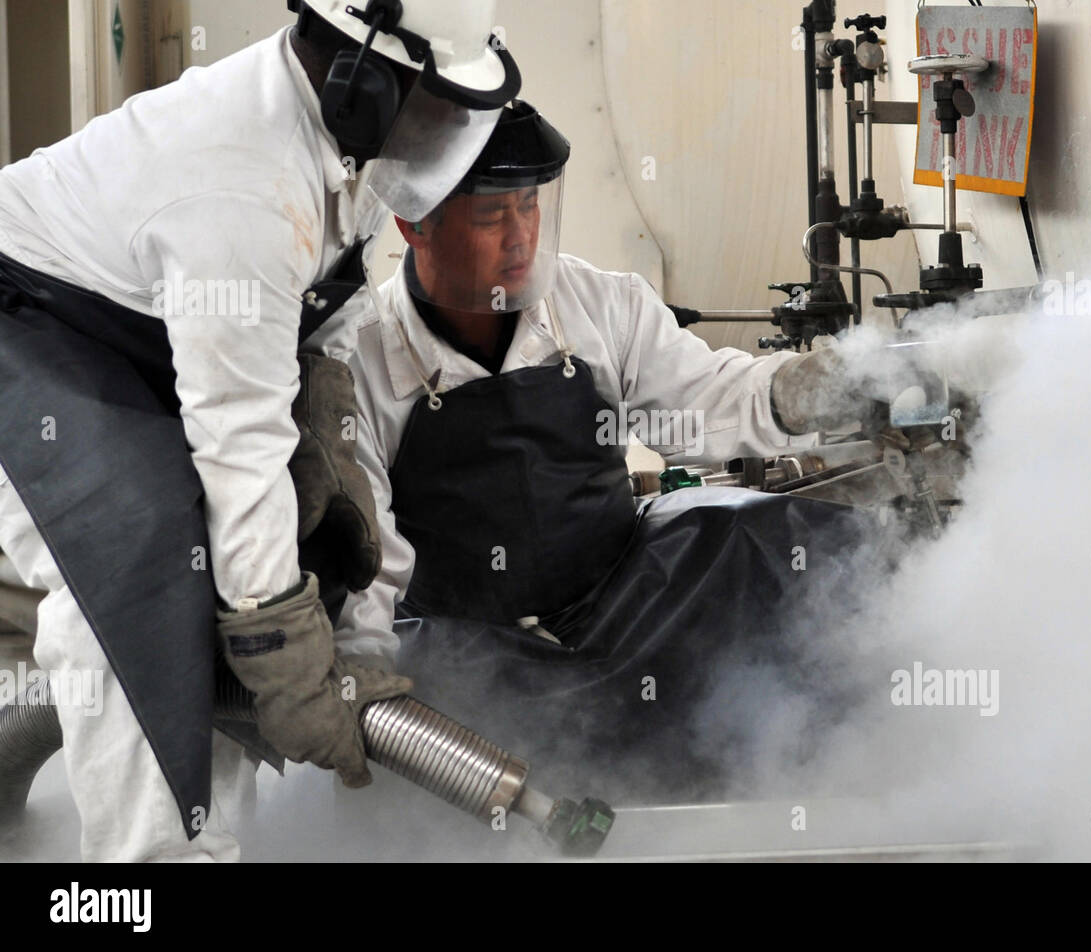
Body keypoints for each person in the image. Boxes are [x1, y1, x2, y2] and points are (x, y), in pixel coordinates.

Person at [0, 0, 520, 861]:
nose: (440, 130)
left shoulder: (344, 146)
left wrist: (349, 595)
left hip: (133, 329)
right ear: (359, 81)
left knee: (265, 553)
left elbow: (326, 330)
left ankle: (210, 841)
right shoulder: (237, 184)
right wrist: (282, 651)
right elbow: (239, 445)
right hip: (26, 321)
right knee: (137, 581)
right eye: (429, 103)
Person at [334, 103, 891, 799]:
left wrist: (800, 391)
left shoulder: (600, 304)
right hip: (465, 640)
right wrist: (363, 683)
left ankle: (844, 784)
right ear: (413, 223)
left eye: (532, 206)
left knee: (761, 533)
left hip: (615, 593)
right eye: (491, 218)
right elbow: (368, 566)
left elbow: (704, 402)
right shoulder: (358, 355)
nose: (522, 239)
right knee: (422, 690)